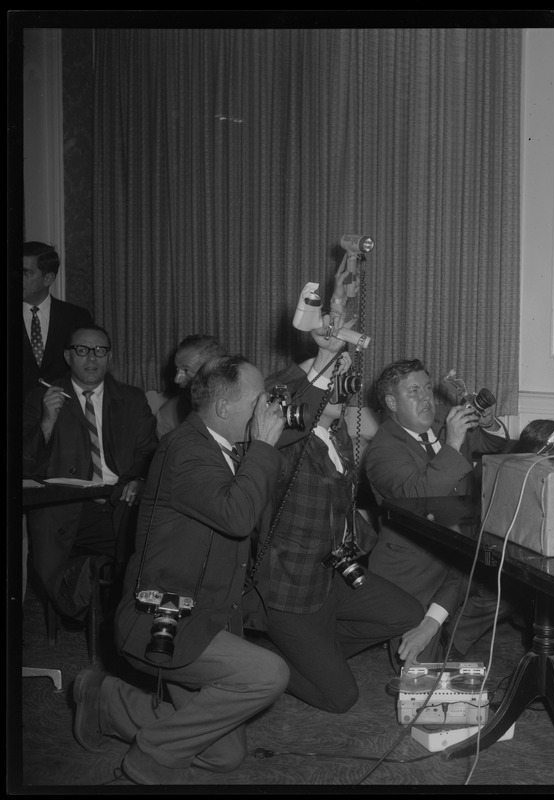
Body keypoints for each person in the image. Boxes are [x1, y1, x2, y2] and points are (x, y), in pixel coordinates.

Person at [70, 355, 290, 785]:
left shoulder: (220, 445)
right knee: (269, 674)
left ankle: (107, 700)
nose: (267, 410)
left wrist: (327, 356)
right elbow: (237, 516)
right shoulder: (186, 450)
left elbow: (301, 417)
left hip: (202, 615)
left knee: (224, 756)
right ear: (224, 408)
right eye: (259, 400)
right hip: (160, 619)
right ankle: (153, 755)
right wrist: (263, 446)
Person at [256, 268, 424, 713]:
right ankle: (264, 663)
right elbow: (282, 393)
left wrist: (340, 308)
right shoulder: (283, 437)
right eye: (331, 376)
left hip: (332, 574)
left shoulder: (339, 435)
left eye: (345, 375)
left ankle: (316, 652)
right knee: (340, 697)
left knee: (406, 613)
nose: (341, 384)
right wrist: (324, 352)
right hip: (291, 589)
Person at [364, 358, 509, 664]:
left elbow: (493, 443)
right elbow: (420, 498)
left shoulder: (444, 418)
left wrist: (488, 424)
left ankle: (453, 637)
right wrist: (453, 444)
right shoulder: (382, 451)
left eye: (428, 388)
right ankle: (435, 633)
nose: (426, 398)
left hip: (461, 551)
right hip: (415, 569)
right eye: (414, 391)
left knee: (510, 587)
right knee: (418, 673)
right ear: (392, 403)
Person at [23, 325, 159, 621]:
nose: (92, 358)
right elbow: (25, 467)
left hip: (121, 502)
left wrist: (138, 479)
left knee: (158, 541)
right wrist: (48, 421)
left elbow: (150, 453)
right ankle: (125, 616)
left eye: (100, 350)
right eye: (82, 350)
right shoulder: (41, 398)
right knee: (142, 550)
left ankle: (130, 617)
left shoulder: (131, 399)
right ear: (68, 356)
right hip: (68, 507)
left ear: (110, 357)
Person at [21, 241, 94, 399]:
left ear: (48, 278)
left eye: (25, 272)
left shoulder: (77, 317)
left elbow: (88, 366)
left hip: (63, 406)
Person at [156, 334, 226, 437]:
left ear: (215, 371)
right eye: (177, 369)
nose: (177, 379)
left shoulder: (244, 405)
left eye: (186, 370)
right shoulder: (168, 415)